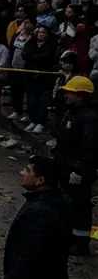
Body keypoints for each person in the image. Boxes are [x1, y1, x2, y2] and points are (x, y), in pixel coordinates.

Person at [53, 75, 98, 256]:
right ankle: (68, 238)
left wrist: (79, 169)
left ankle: (80, 244)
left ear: (80, 96)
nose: (66, 96)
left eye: (70, 93)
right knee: (66, 204)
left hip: (78, 171)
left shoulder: (90, 118)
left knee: (80, 207)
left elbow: (90, 146)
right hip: (65, 167)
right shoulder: (70, 113)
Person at [21, 26, 58, 134]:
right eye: (39, 32)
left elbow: (48, 58)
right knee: (32, 99)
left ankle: (41, 122)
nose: (41, 34)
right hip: (31, 76)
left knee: (42, 101)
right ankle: (33, 120)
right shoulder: (30, 44)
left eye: (43, 32)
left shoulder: (51, 46)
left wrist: (34, 57)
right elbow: (25, 55)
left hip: (44, 78)